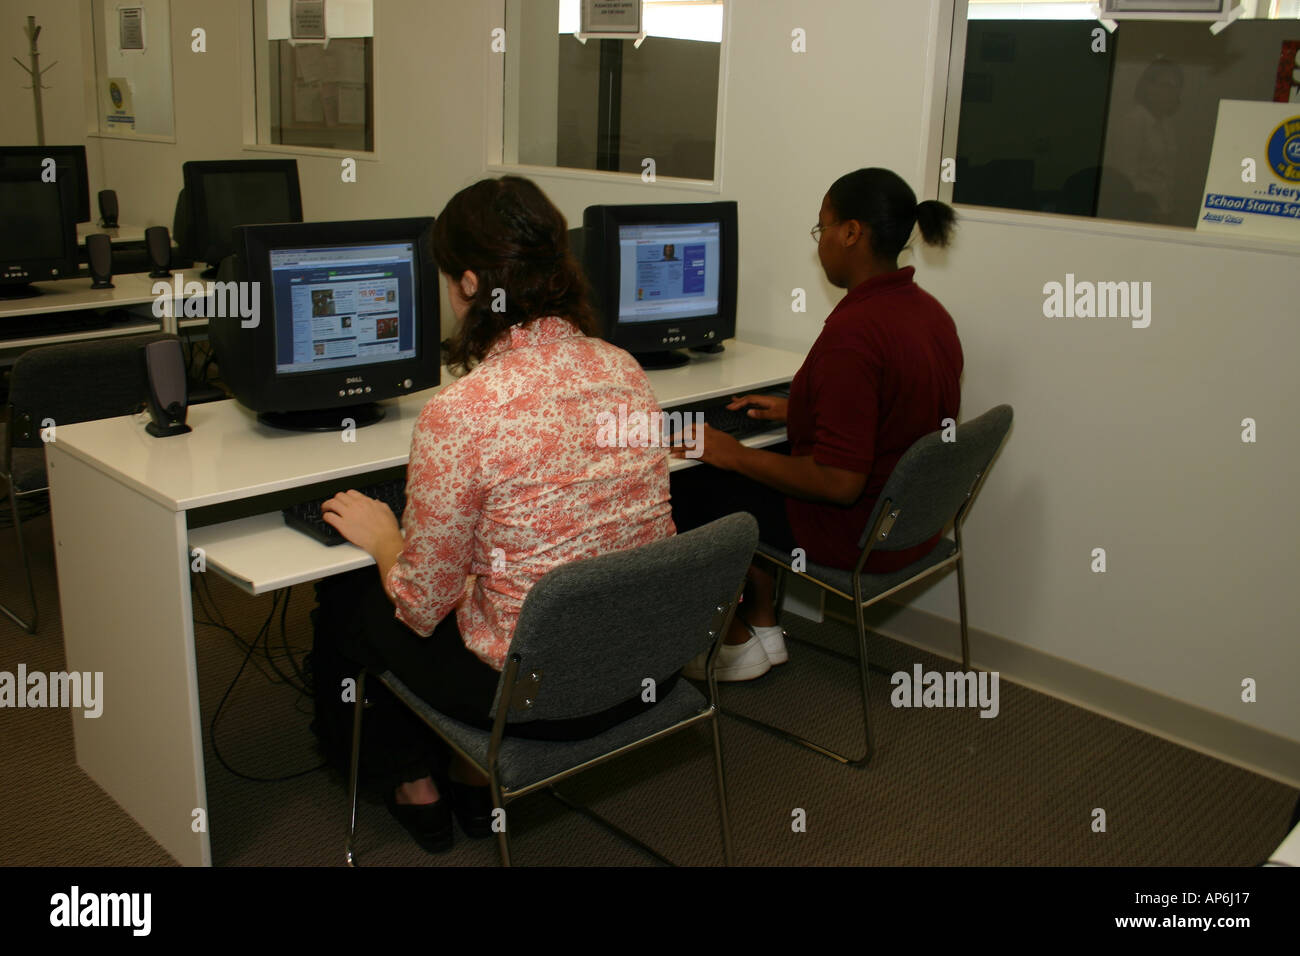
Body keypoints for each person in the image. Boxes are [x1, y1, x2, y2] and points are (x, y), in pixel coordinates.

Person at [314, 176, 675, 853]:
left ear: (472, 285)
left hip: (537, 695)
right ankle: (472, 782)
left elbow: (423, 603)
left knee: (349, 599)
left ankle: (415, 788)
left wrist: (387, 538)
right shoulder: (625, 368)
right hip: (637, 663)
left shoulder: (462, 412)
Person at [670, 167, 962, 681]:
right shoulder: (926, 312)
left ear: (852, 233)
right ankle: (764, 624)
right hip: (911, 526)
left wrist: (731, 451)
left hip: (855, 532)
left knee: (694, 484)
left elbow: (839, 482)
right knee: (753, 464)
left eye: (821, 228)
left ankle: (730, 643)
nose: (820, 242)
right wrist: (799, 408)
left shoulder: (856, 333)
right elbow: (892, 408)